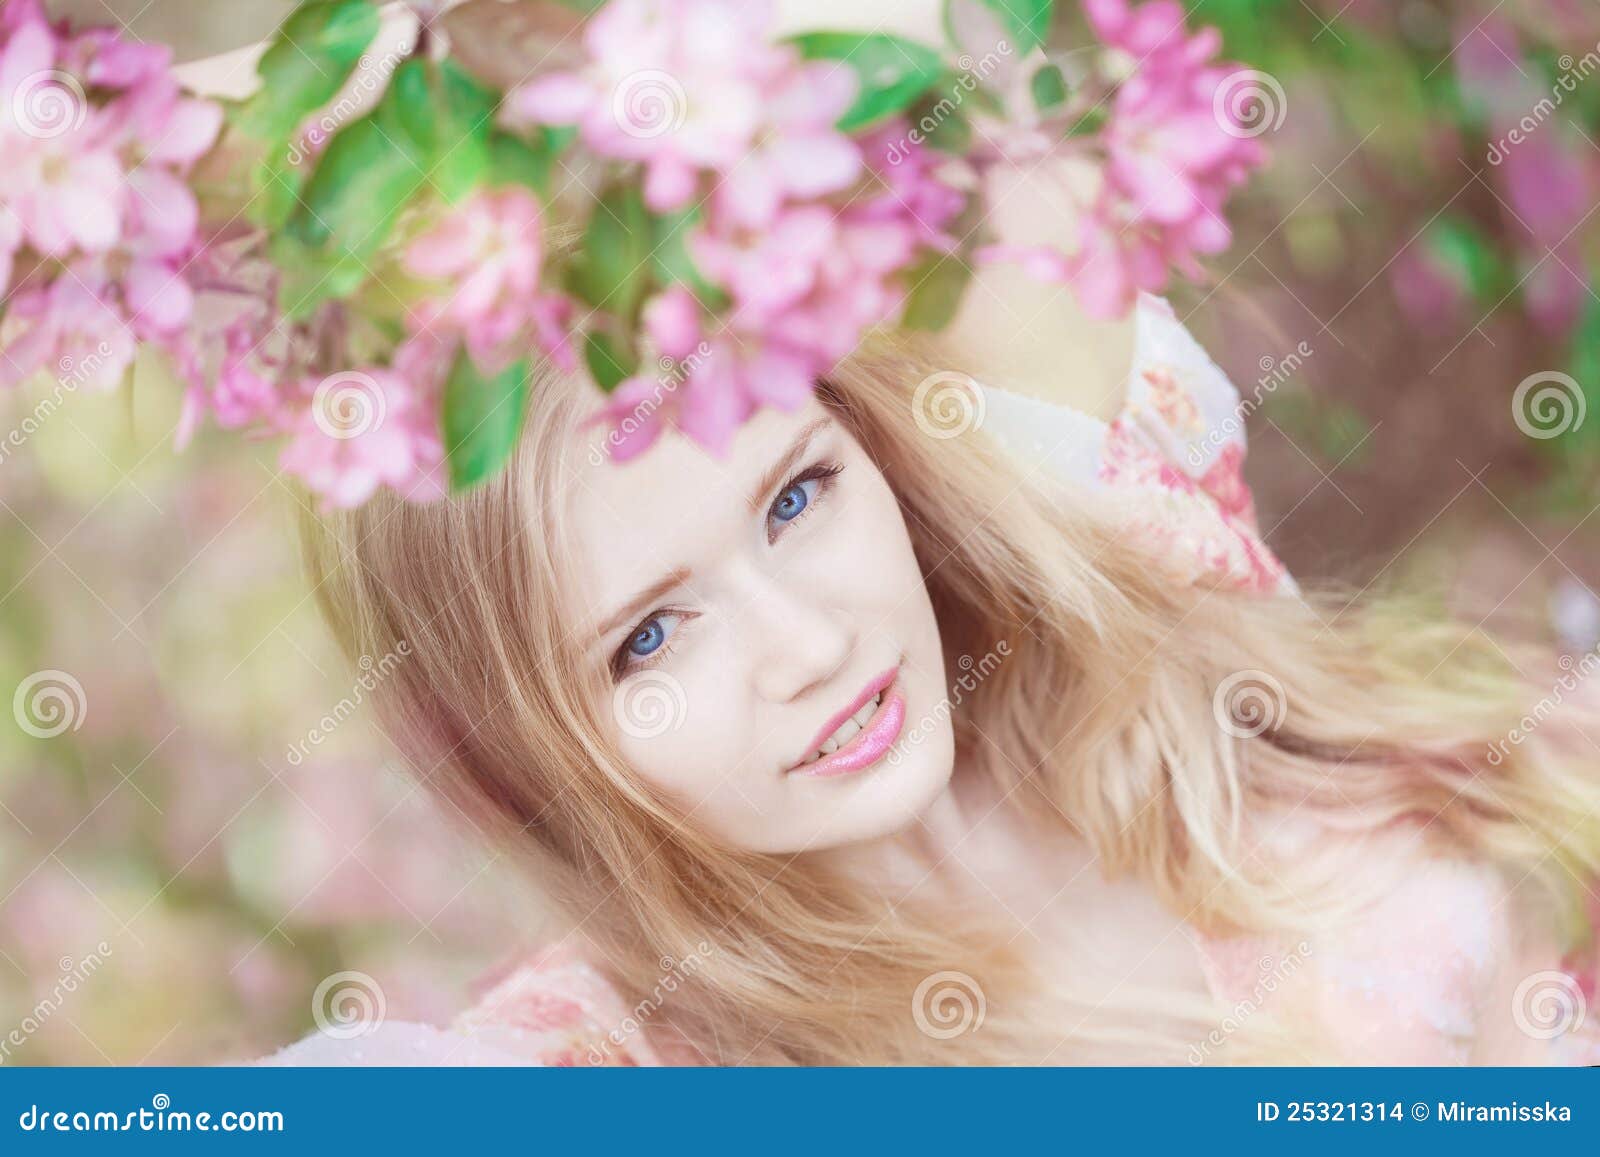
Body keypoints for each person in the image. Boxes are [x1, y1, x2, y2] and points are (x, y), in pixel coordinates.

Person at [255, 294, 1600, 1067]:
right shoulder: (608, 1064)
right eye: (649, 638)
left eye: (795, 495)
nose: (812, 644)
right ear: (522, 746)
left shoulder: (1139, 578)